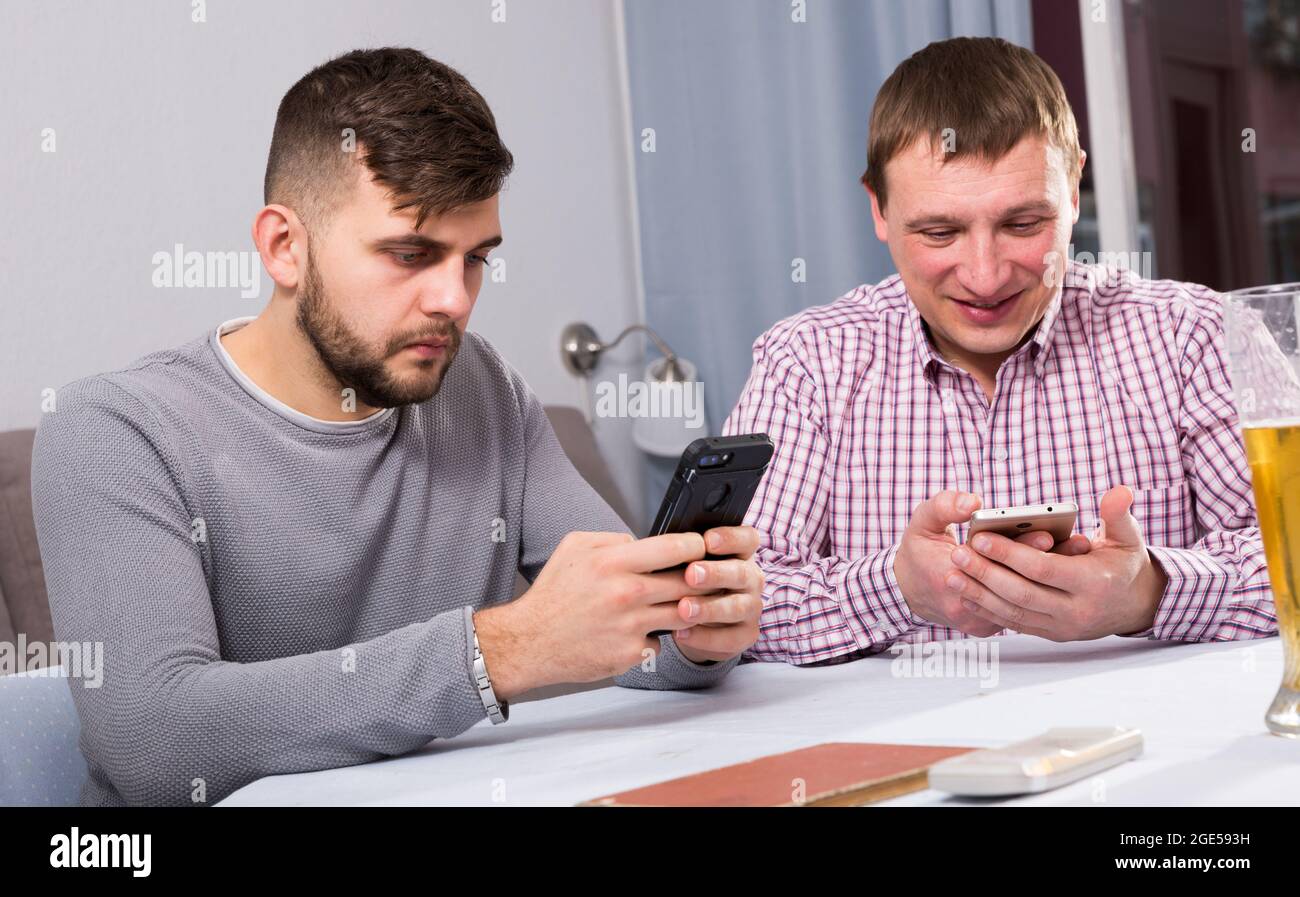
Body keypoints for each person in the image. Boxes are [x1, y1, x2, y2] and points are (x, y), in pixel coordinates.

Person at [31, 47, 763, 806]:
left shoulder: (482, 389)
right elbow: (158, 743)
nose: (454, 298)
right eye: (410, 253)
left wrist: (693, 628)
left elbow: (633, 643)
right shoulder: (114, 433)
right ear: (285, 246)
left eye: (475, 258)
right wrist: (497, 652)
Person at [722, 37, 1275, 666]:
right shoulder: (807, 363)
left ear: (1072, 193)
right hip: (894, 751)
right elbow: (720, 609)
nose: (985, 277)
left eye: (1022, 225)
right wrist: (893, 591)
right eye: (940, 232)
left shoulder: (1192, 336)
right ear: (878, 208)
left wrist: (1152, 593)